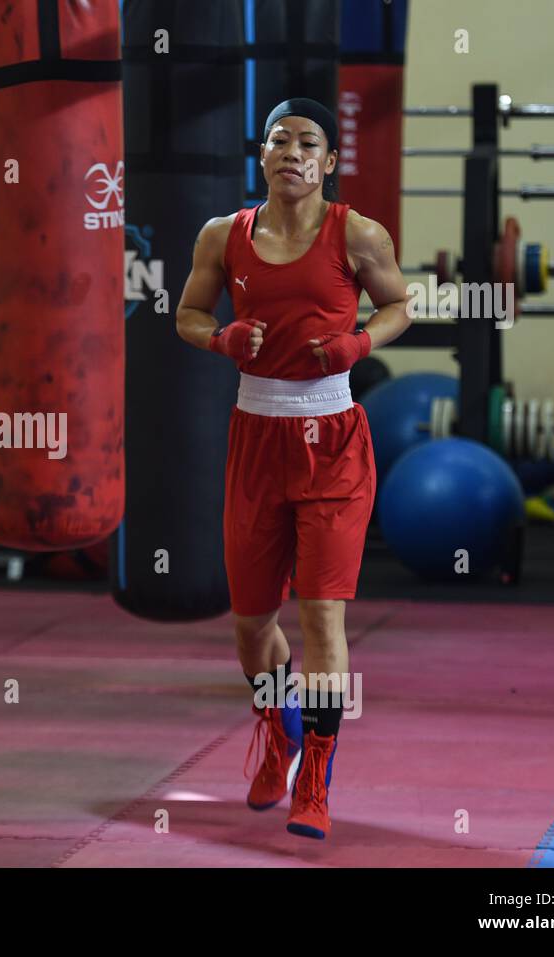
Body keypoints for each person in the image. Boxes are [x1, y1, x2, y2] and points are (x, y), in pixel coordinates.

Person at [175, 98, 411, 839]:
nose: (292, 151)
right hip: (256, 436)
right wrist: (222, 340)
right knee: (252, 626)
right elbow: (186, 315)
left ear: (328, 161)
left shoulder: (359, 233)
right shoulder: (224, 235)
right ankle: (277, 731)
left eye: (308, 141)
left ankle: (317, 773)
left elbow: (402, 304)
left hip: (334, 438)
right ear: (263, 154)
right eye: (279, 139)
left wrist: (361, 345)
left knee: (321, 614)